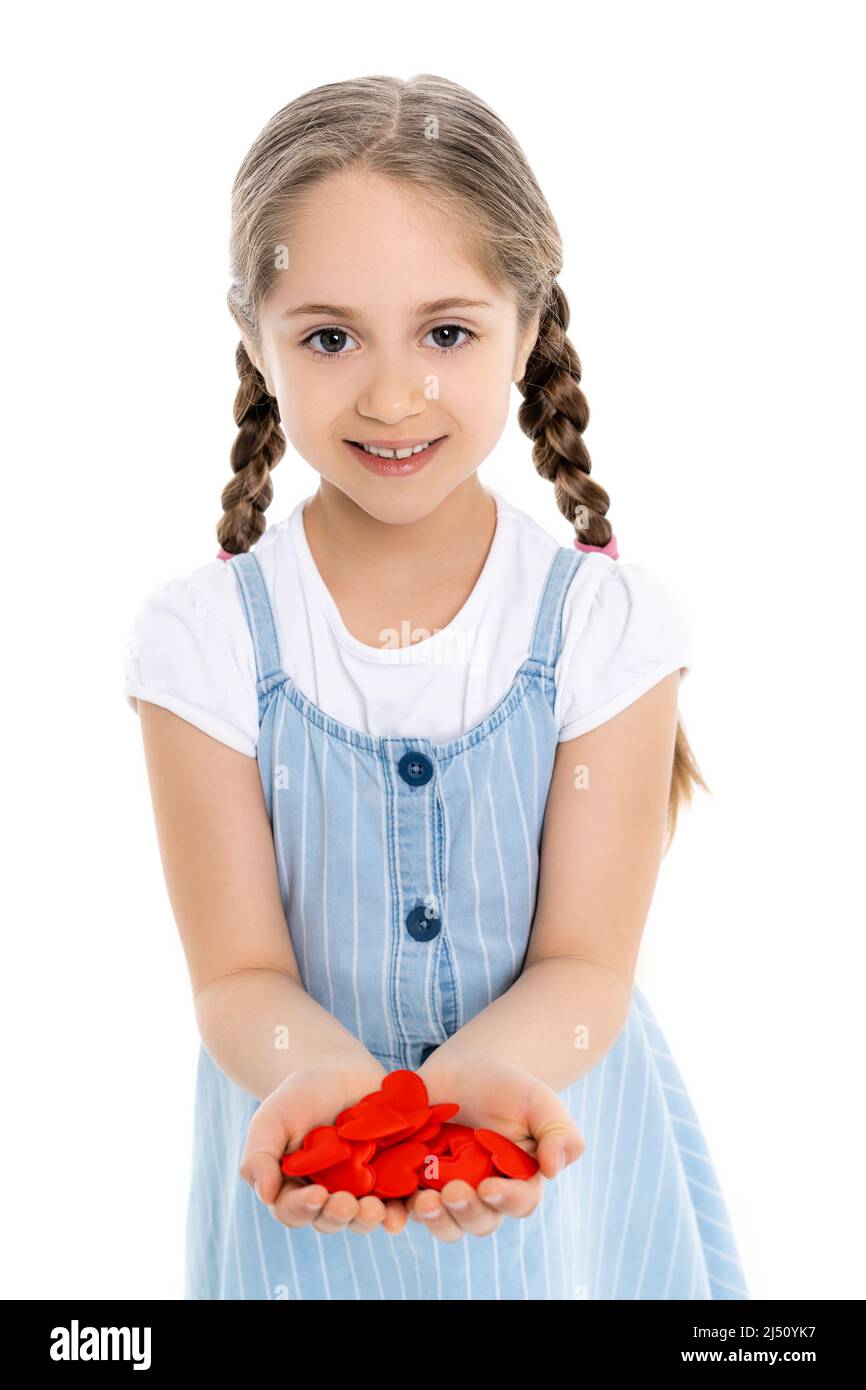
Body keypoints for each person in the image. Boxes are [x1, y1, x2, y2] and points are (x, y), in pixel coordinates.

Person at [123, 74, 749, 1300]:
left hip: (557, 1160)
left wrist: (470, 1100)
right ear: (253, 334)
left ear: (526, 326)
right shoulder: (198, 641)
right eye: (328, 334)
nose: (392, 392)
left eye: (446, 332)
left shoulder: (608, 626)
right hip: (302, 1174)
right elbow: (239, 976)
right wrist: (352, 1103)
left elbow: (582, 964)